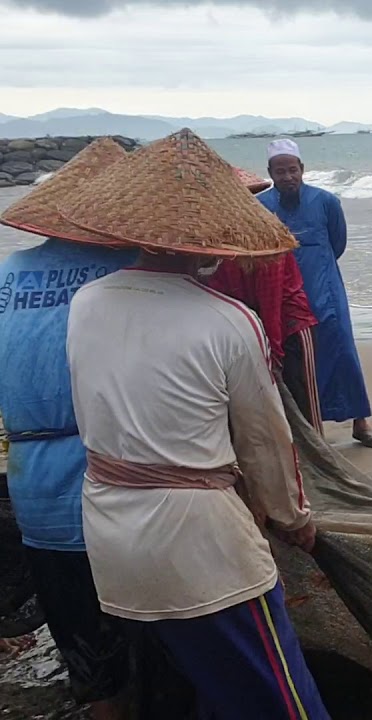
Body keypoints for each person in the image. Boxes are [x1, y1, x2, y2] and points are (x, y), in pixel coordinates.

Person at [61, 129, 330, 719]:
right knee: (285, 701)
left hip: (111, 536)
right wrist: (294, 520)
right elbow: (266, 443)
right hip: (203, 550)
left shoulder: (88, 302)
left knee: (206, 687)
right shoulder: (228, 321)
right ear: (209, 240)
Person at [0, 138, 139, 720]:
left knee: (79, 630)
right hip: (122, 480)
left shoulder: (9, 275)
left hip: (32, 481)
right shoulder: (129, 273)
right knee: (145, 629)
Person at [259, 138, 372, 448]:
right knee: (296, 363)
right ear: (270, 173)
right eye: (280, 172)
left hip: (327, 292)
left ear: (302, 169)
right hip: (285, 298)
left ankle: (360, 422)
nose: (287, 177)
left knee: (342, 352)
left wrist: (320, 272)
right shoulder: (261, 207)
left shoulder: (327, 202)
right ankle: (308, 431)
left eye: (292, 170)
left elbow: (337, 244)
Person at [204, 167, 322, 430]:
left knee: (303, 408)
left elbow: (272, 301)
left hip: (288, 328)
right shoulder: (216, 237)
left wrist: (273, 354)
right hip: (248, 330)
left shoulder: (266, 235)